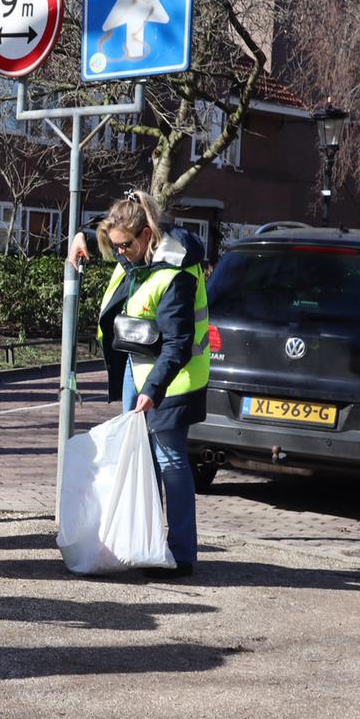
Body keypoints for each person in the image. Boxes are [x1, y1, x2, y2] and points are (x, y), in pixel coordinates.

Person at [67, 188, 209, 578]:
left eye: (125, 246)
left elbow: (178, 343)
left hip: (174, 379)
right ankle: (146, 544)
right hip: (139, 368)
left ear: (147, 234)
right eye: (114, 247)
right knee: (143, 460)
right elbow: (109, 229)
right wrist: (81, 236)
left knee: (170, 461)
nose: (120, 254)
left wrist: (153, 389)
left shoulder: (176, 272)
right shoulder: (135, 250)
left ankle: (180, 555)